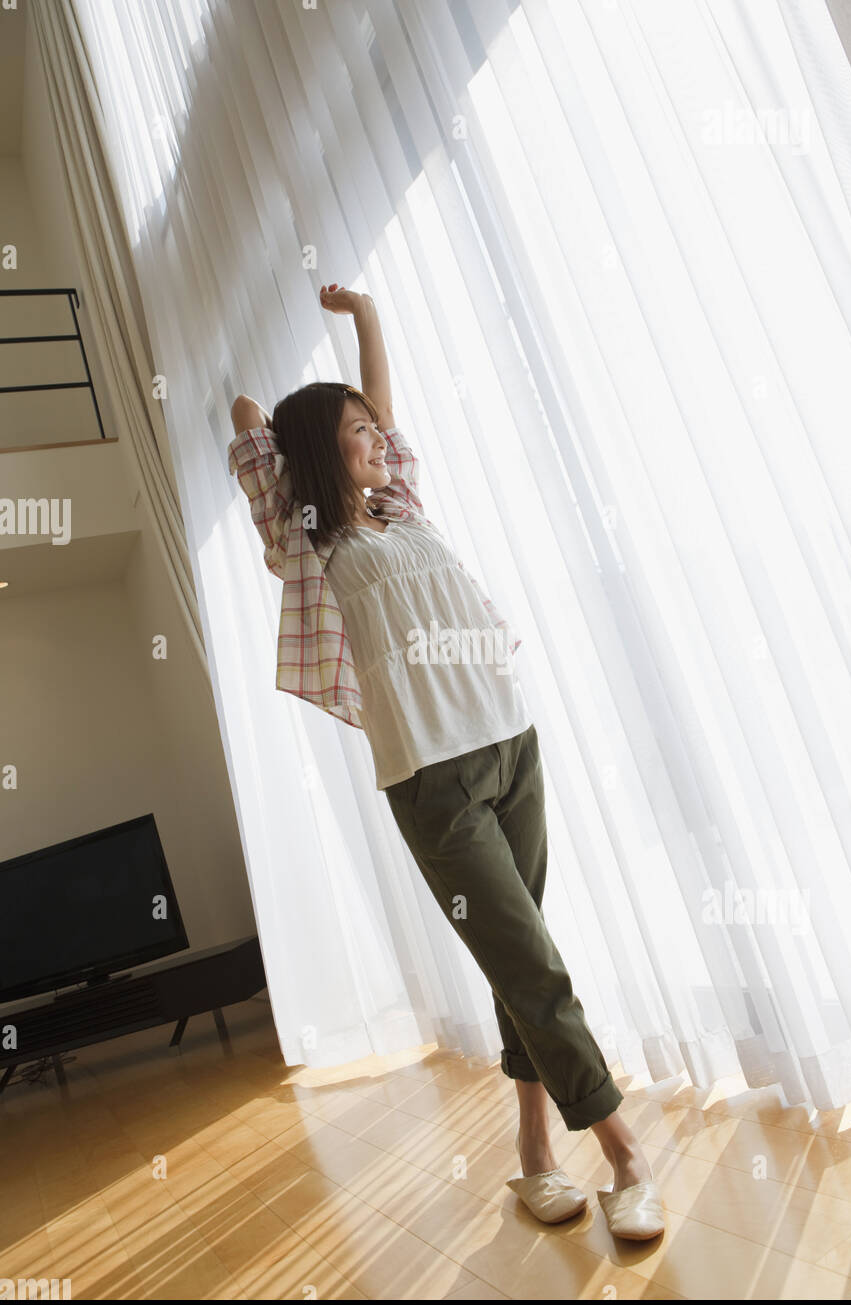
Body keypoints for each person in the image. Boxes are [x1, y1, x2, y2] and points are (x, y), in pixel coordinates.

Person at [228, 284, 664, 1240]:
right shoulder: (309, 540)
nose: (378, 438)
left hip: (511, 741)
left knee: (523, 958)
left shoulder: (403, 505)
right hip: (432, 777)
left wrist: (368, 318)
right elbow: (249, 423)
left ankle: (535, 1158)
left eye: (376, 428)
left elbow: (383, 419)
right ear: (314, 452)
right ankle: (628, 1155)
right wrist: (297, 420)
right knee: (533, 965)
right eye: (356, 430)